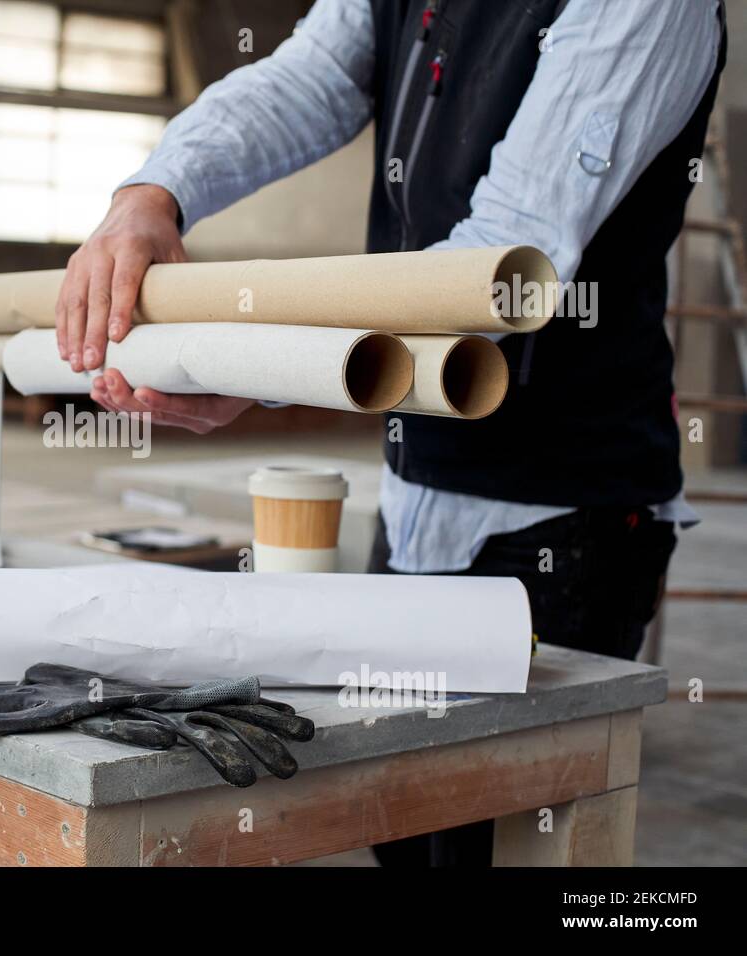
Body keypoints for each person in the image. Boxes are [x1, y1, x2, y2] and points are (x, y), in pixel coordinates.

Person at [54, 0, 726, 866]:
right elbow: (311, 79)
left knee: (495, 843)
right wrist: (153, 193)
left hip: (564, 520)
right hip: (415, 492)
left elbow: (501, 263)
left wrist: (265, 371)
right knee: (402, 837)